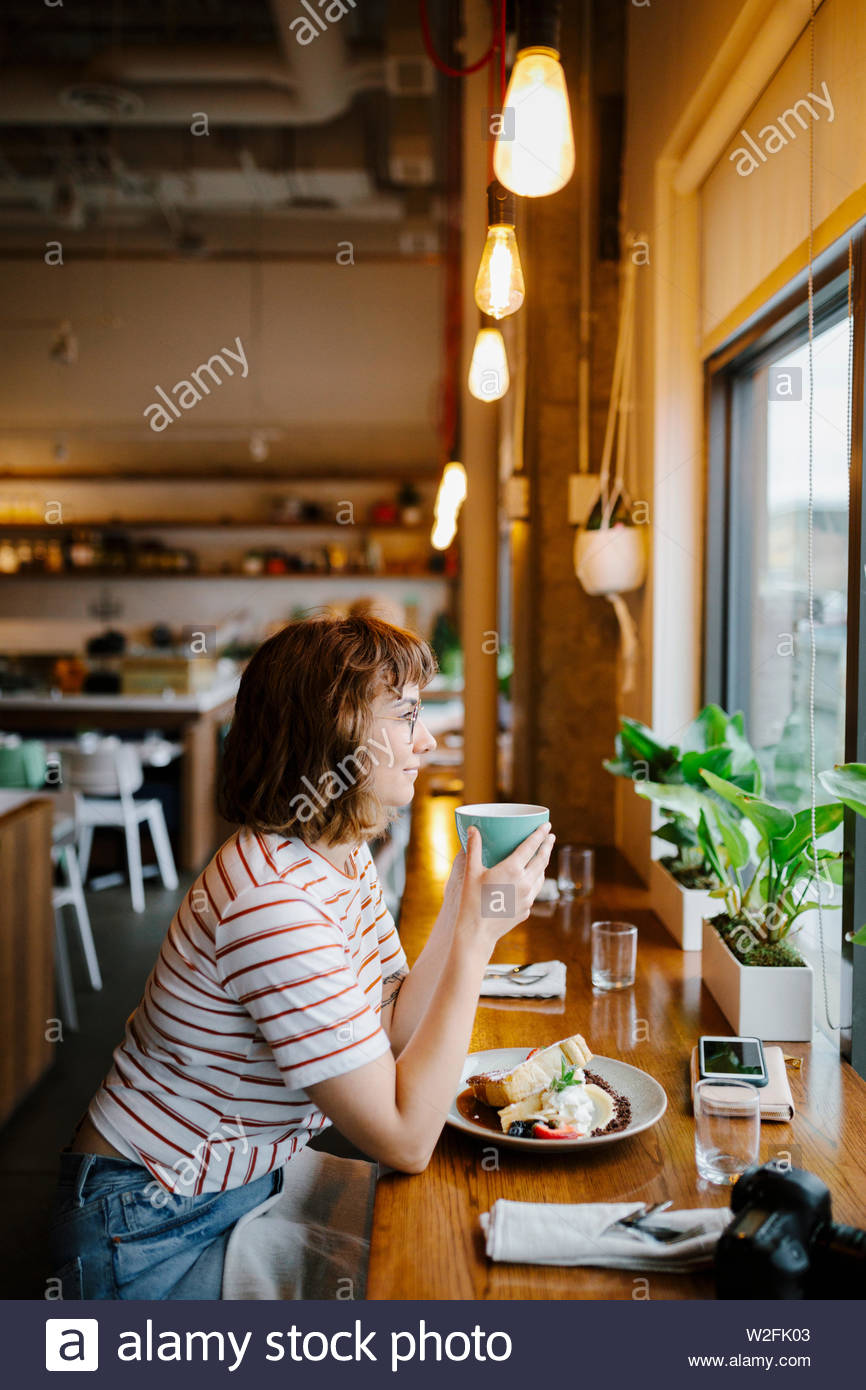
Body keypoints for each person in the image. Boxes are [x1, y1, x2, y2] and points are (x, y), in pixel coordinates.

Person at [46, 615, 554, 1299]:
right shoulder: (272, 903)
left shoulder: (338, 852)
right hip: (147, 1224)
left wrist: (468, 907)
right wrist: (478, 939)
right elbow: (405, 1138)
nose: (426, 740)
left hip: (242, 1181)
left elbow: (394, 1031)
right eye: (405, 715)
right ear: (333, 731)